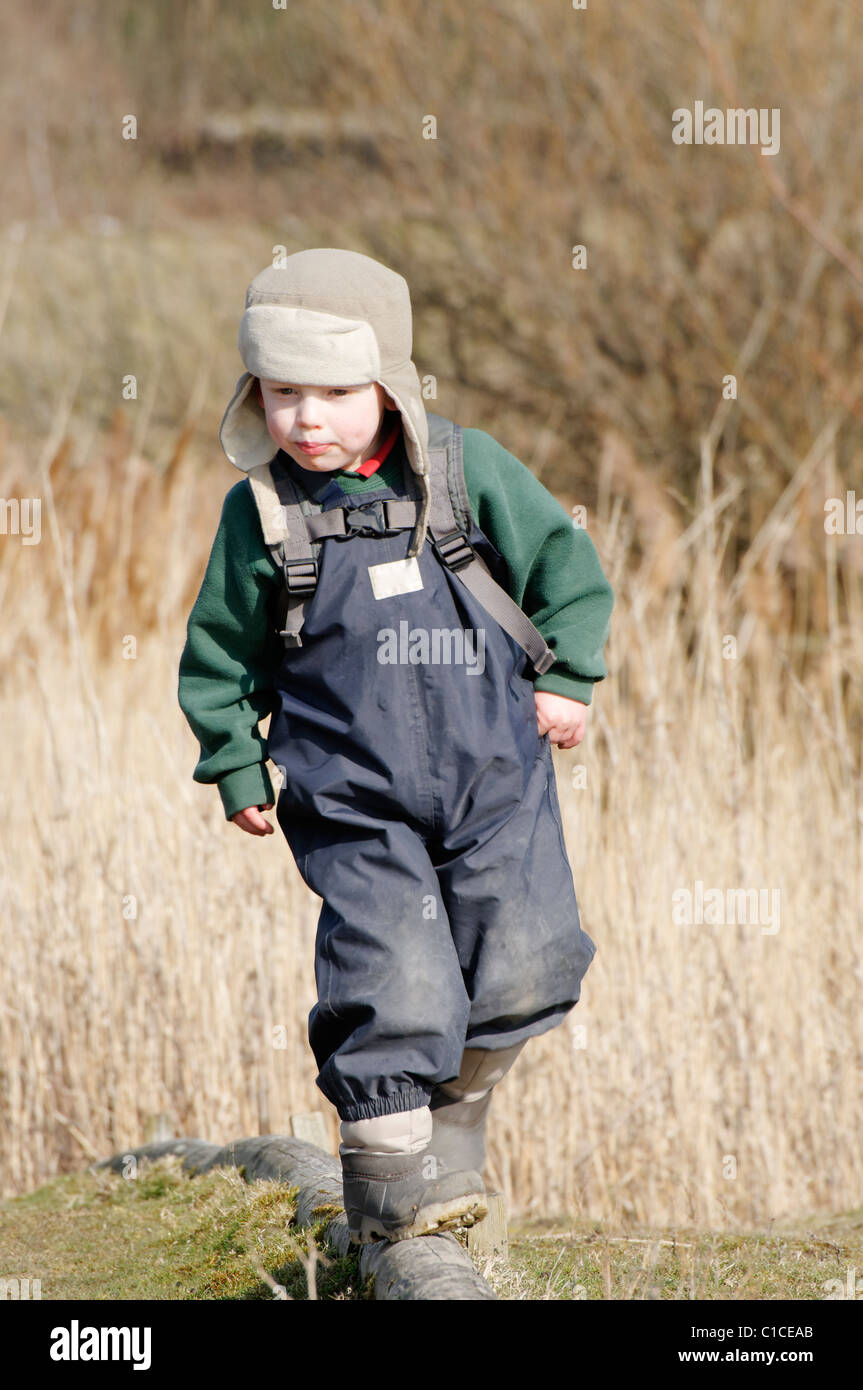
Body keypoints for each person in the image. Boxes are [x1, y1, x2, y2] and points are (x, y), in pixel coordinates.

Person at [177, 247, 614, 1244]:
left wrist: (567, 677)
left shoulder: (465, 472)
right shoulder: (262, 516)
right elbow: (216, 657)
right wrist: (234, 762)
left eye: (335, 390)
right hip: (350, 799)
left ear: (389, 385)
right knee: (398, 983)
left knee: (528, 963)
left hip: (495, 780)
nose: (308, 418)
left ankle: (447, 1161)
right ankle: (386, 1197)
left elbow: (569, 569)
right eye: (283, 392)